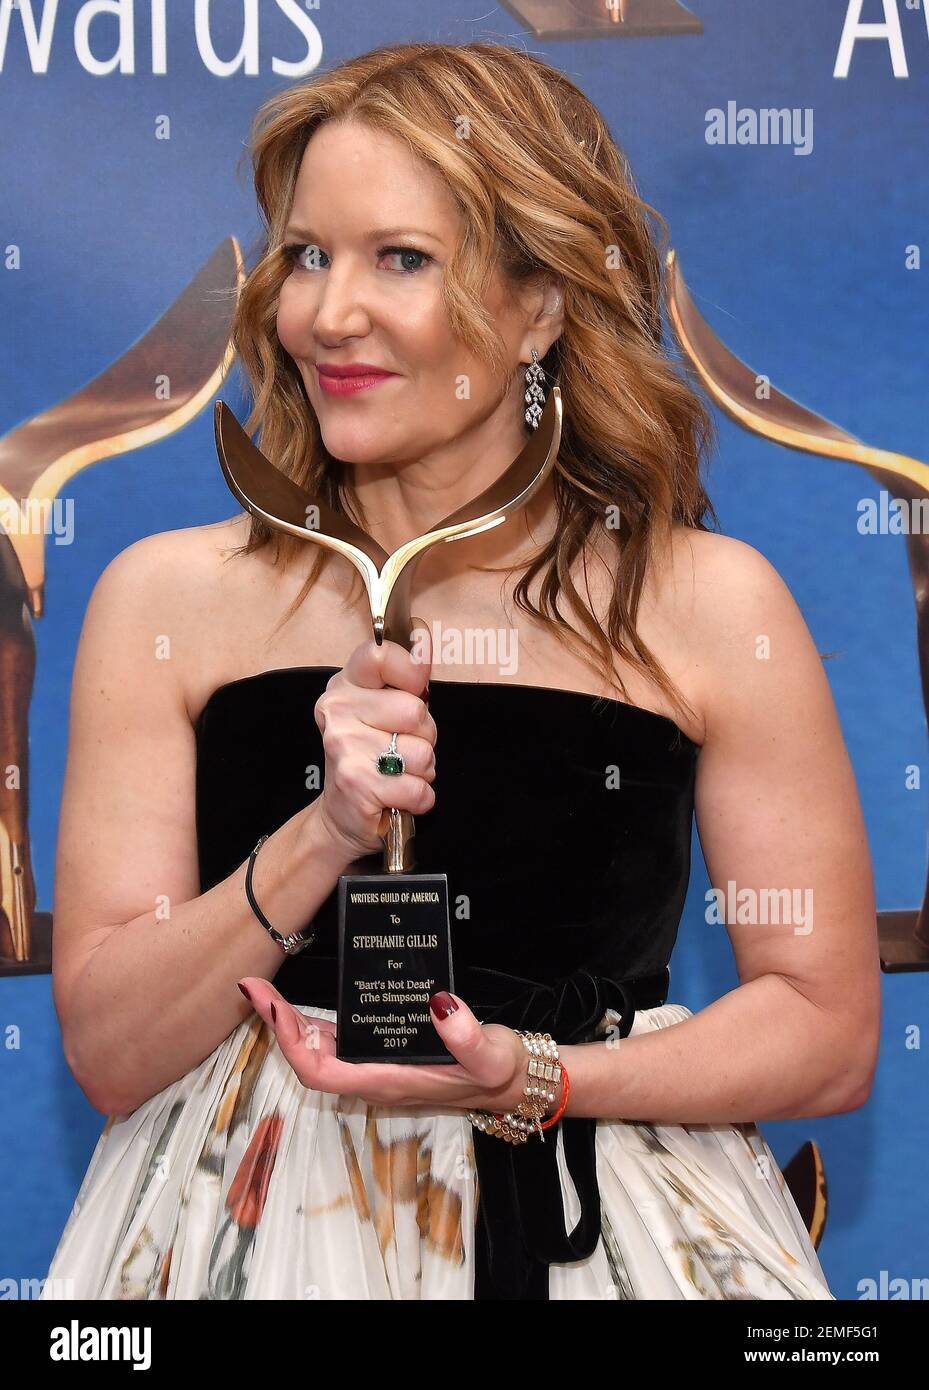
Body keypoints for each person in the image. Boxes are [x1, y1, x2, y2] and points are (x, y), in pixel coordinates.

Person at [41, 39, 879, 1301]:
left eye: (402, 259)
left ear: (539, 304)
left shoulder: (706, 605)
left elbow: (824, 1029)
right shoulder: (170, 599)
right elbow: (110, 1048)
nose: (330, 313)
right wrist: (319, 832)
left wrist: (536, 1078)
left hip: (604, 1233)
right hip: (243, 1229)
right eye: (310, 255)